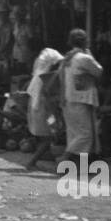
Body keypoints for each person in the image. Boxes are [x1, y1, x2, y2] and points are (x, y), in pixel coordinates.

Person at [60, 28, 103, 161]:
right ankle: (63, 160)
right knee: (85, 135)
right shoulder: (83, 58)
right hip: (80, 100)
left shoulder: (68, 58)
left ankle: (83, 165)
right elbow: (98, 71)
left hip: (69, 99)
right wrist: (89, 53)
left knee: (75, 134)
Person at [24, 46, 63, 169]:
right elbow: (48, 103)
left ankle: (40, 158)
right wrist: (53, 121)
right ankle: (32, 162)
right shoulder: (46, 78)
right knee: (49, 137)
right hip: (42, 110)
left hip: (37, 109)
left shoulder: (38, 75)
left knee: (45, 137)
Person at [10, 6, 34, 77]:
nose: (17, 17)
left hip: (25, 52)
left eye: (18, 15)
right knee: (16, 71)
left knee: (23, 72)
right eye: (16, 15)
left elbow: (32, 40)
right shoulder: (15, 25)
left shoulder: (27, 26)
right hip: (16, 51)